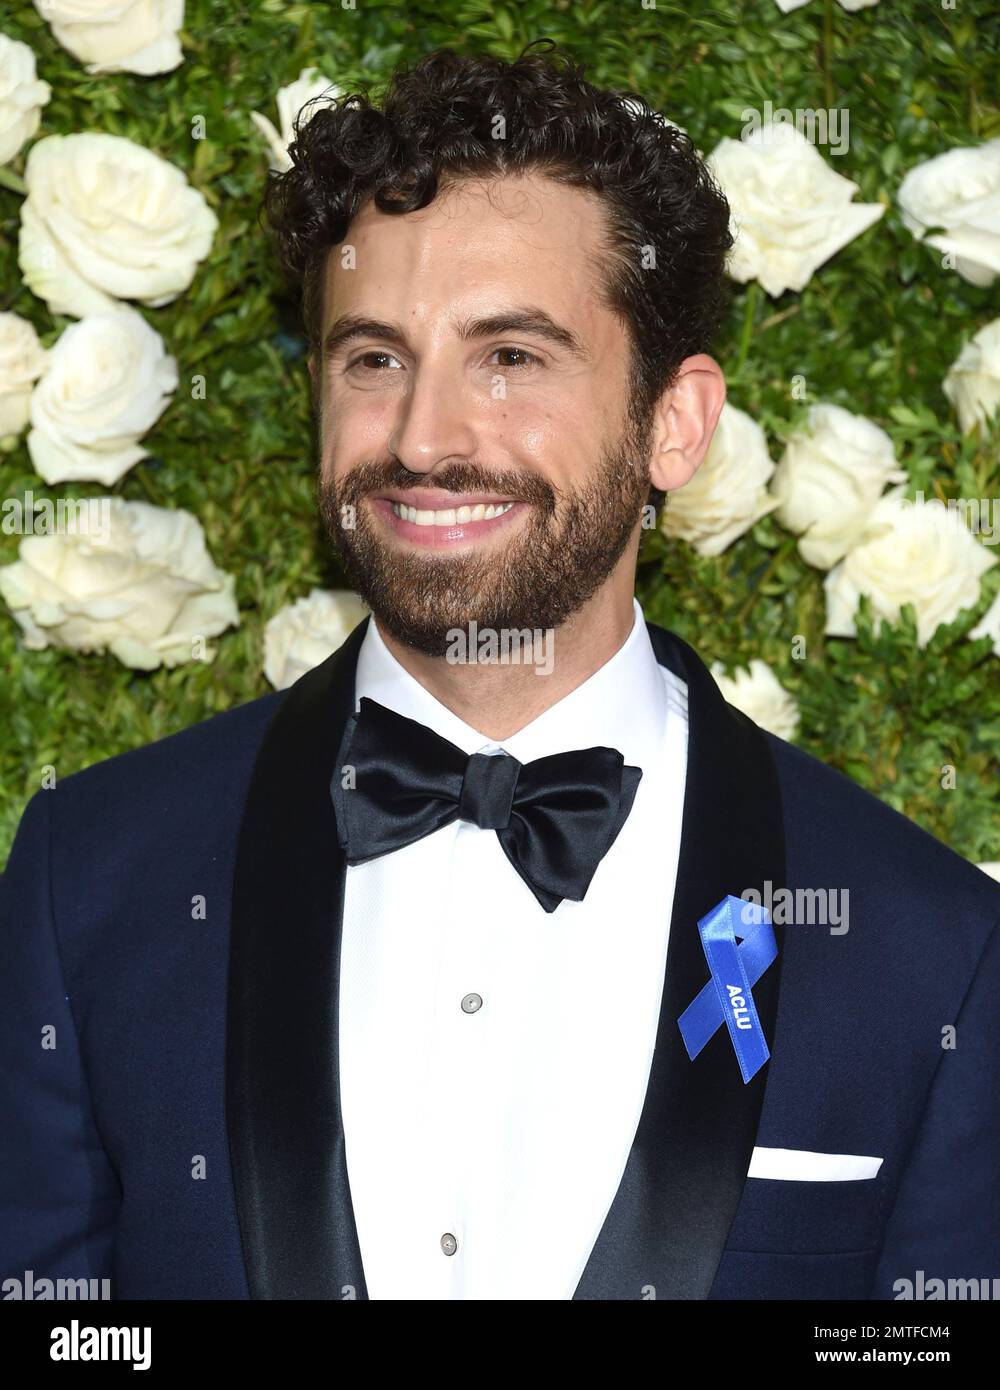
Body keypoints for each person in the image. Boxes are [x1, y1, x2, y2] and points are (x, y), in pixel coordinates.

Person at [2, 41, 998, 1303]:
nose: (422, 437)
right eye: (373, 358)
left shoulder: (925, 943)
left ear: (673, 424)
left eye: (512, 357)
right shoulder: (87, 878)